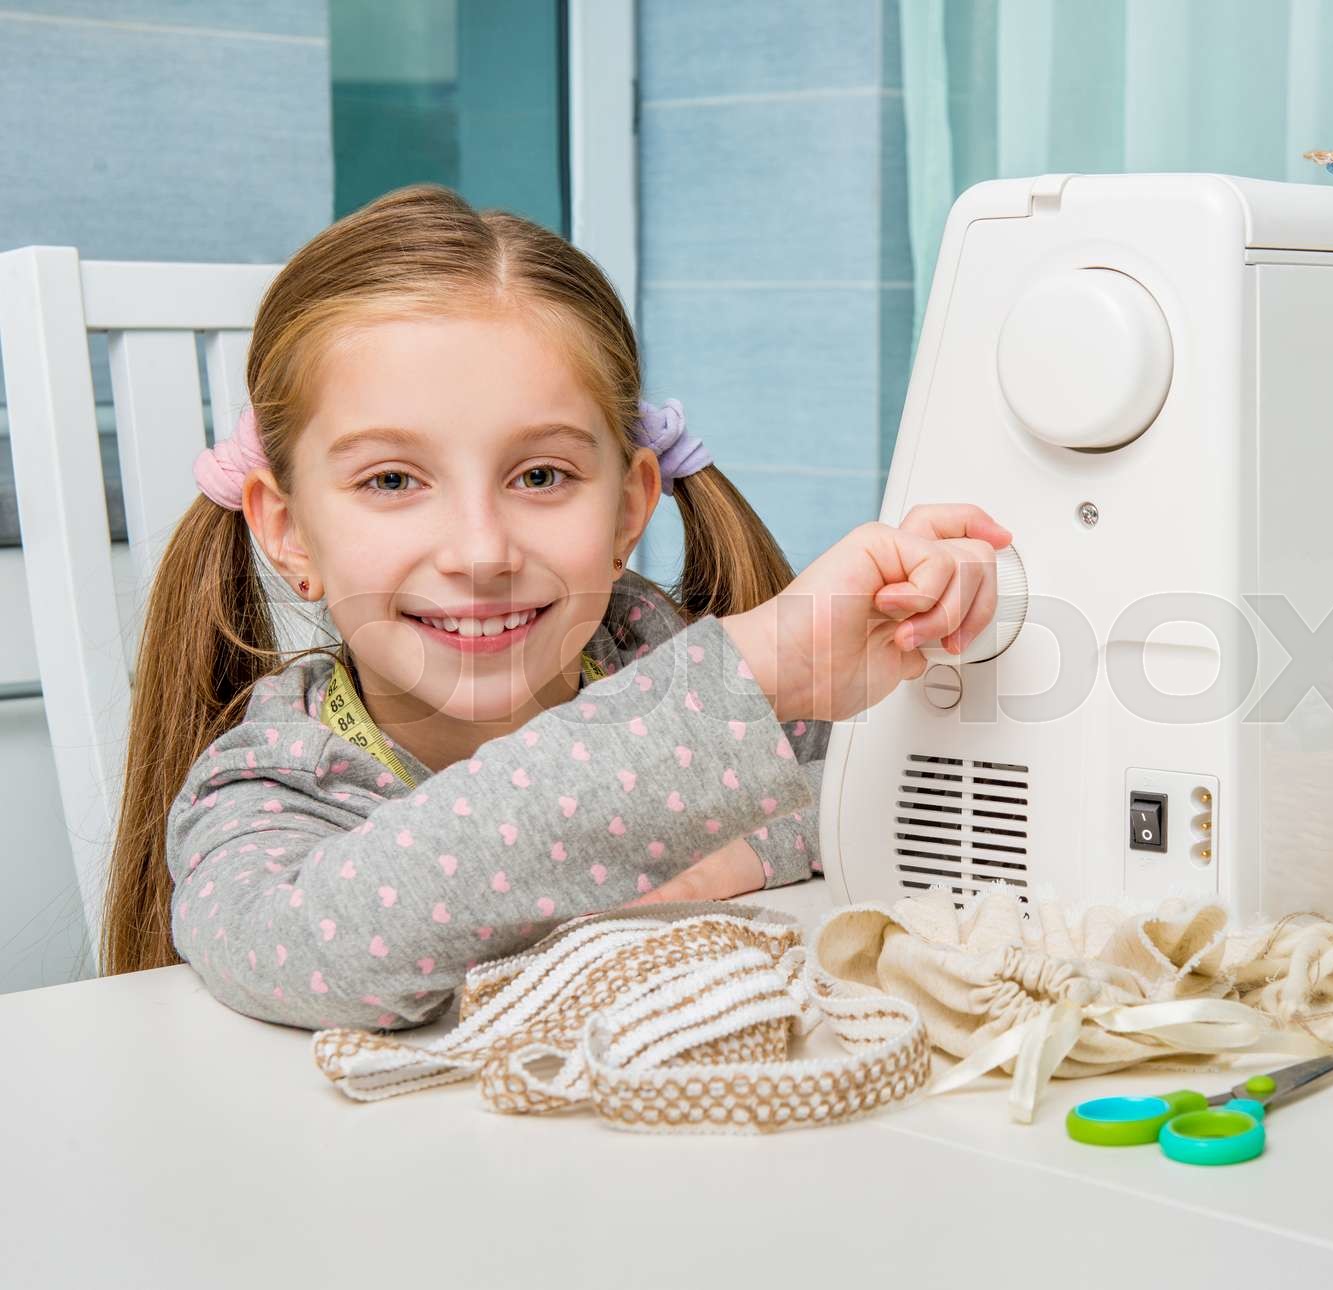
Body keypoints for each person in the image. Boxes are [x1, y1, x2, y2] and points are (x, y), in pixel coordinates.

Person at [100, 183, 1011, 1031]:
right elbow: (319, 948)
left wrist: (946, 640)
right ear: (290, 532)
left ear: (627, 507)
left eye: (541, 475)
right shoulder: (272, 785)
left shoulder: (661, 656)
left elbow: (863, 806)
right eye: (391, 479)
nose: (481, 551)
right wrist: (752, 683)